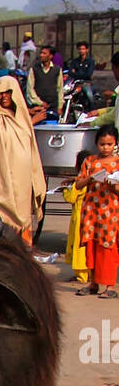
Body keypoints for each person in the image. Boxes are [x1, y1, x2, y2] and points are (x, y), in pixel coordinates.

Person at [0, 74, 46, 244]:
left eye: (8, 92)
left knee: (21, 231)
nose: (4, 96)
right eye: (1, 93)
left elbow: (22, 139)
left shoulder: (22, 120)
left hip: (21, 187)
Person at [75, 124, 119, 297]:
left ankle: (109, 286)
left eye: (109, 144)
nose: (106, 148)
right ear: (96, 143)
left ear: (115, 144)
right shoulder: (89, 162)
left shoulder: (117, 163)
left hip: (110, 212)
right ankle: (93, 283)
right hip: (91, 211)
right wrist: (90, 179)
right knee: (91, 246)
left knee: (108, 248)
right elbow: (78, 185)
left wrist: (112, 185)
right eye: (102, 144)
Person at [63, 151, 92, 290]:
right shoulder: (92, 180)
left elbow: (71, 198)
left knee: (78, 246)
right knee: (86, 247)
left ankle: (81, 276)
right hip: (89, 217)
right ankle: (88, 274)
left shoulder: (79, 184)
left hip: (78, 218)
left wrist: (64, 189)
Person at [26, 44, 63, 118]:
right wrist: (40, 103)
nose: (41, 55)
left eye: (44, 53)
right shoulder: (34, 69)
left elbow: (60, 89)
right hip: (38, 107)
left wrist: (60, 106)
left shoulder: (57, 70)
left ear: (50, 56)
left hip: (53, 106)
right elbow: (30, 89)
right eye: (41, 53)